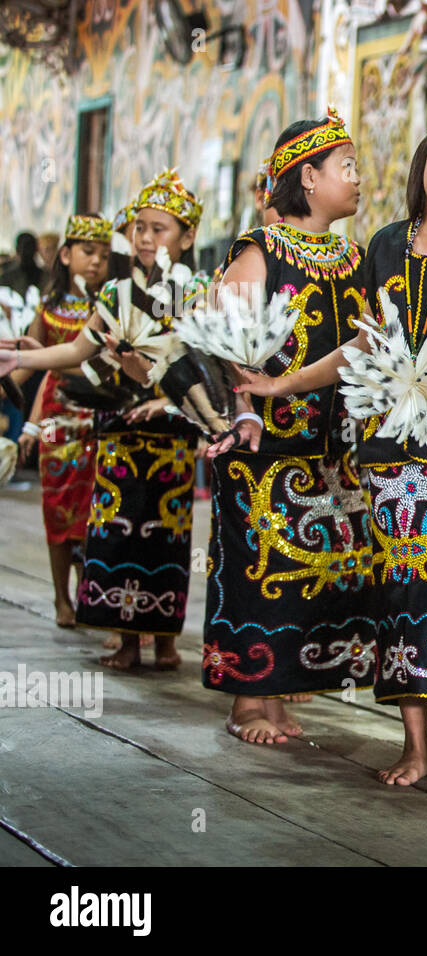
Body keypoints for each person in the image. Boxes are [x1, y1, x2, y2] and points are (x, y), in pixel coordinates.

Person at [236, 87, 427, 785]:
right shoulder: (384, 245)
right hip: (389, 444)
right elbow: (360, 349)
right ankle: (414, 742)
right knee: (401, 582)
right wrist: (282, 384)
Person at [202, 110, 377, 745]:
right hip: (263, 439)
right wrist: (244, 406)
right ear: (308, 177)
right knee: (256, 563)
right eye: (347, 168)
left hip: (331, 443)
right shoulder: (260, 248)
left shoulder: (356, 256)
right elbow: (228, 338)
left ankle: (277, 693)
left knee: (312, 566)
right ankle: (248, 701)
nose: (358, 180)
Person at [0, 170, 208, 670]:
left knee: (166, 537)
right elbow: (78, 349)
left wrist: (170, 402)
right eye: (139, 227)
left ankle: (163, 640)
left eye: (159, 229)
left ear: (187, 237)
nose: (145, 237)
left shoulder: (200, 292)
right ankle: (127, 638)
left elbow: (209, 367)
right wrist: (24, 360)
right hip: (116, 433)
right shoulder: (115, 292)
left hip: (170, 440)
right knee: (115, 534)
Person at [12, 215, 112, 627]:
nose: (95, 263)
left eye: (104, 256)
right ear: (66, 255)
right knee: (57, 512)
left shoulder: (109, 308)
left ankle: (88, 593)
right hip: (57, 422)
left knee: (94, 515)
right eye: (88, 252)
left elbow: (106, 369)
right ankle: (61, 599)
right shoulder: (49, 311)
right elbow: (33, 370)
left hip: (99, 420)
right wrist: (30, 424)